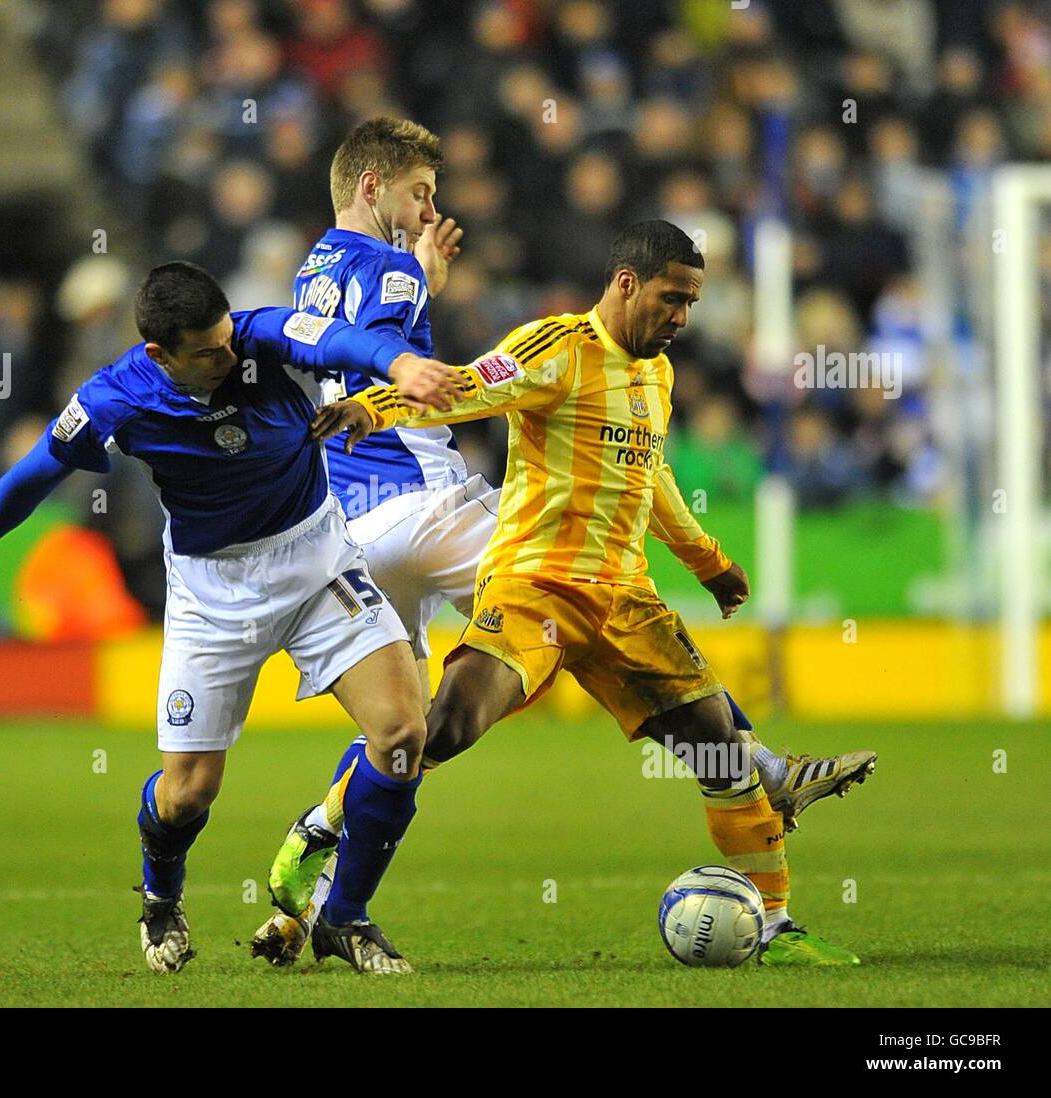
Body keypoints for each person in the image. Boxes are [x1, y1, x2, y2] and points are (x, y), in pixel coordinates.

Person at [261, 222, 875, 968]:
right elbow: (459, 388)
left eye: (692, 303)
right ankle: (323, 823)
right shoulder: (555, 348)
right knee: (446, 729)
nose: (682, 316)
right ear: (625, 284)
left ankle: (774, 926)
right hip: (534, 589)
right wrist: (376, 408)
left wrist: (707, 560)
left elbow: (652, 477)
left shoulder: (659, 374)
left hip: (624, 600)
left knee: (722, 753)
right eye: (672, 298)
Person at [0, 260, 465, 975]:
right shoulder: (115, 398)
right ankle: (162, 893)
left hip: (318, 562)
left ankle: (343, 914)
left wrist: (402, 362)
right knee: (188, 794)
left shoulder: (257, 338)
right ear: (160, 353)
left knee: (403, 733)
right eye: (209, 351)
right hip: (212, 594)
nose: (228, 357)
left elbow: (344, 341)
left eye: (228, 339)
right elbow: (33, 475)